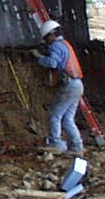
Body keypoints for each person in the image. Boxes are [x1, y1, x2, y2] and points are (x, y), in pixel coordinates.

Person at [32, 19, 84, 155]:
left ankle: (55, 144)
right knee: (68, 118)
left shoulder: (56, 46)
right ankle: (77, 147)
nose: (46, 42)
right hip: (77, 84)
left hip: (69, 85)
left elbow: (53, 63)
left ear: (51, 34)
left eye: (46, 38)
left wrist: (39, 57)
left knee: (54, 115)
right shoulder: (66, 44)